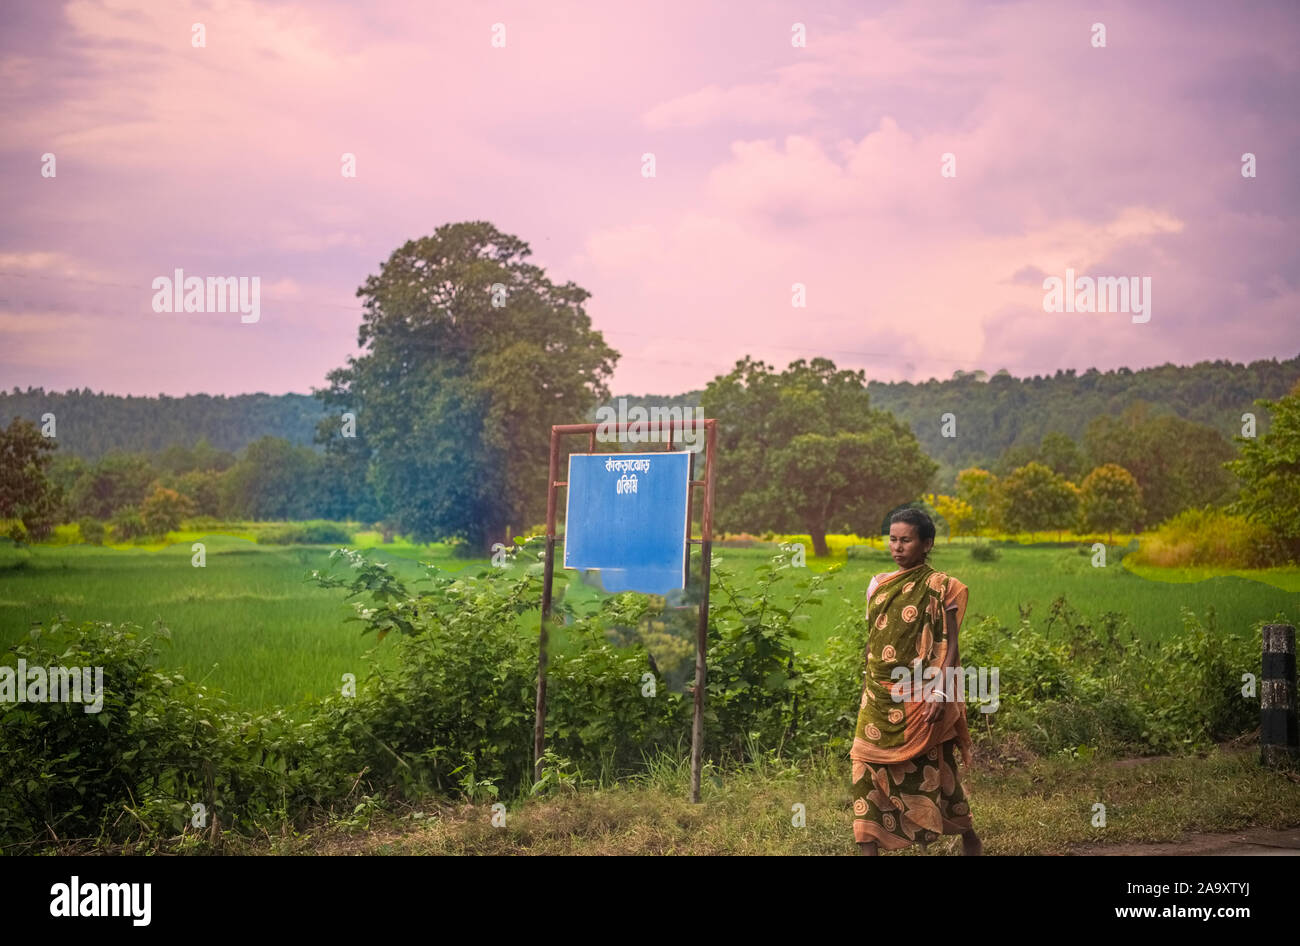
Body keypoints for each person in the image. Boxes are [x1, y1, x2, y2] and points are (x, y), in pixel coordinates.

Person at [850, 507, 982, 855]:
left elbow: (950, 644)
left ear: (926, 544)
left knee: (935, 770)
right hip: (878, 694)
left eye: (906, 540)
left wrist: (941, 692)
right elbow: (873, 638)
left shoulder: (943, 587)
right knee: (864, 766)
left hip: (921, 695)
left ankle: (967, 834)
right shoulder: (878, 585)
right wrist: (868, 682)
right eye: (893, 539)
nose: (897, 546)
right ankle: (869, 848)